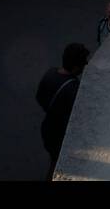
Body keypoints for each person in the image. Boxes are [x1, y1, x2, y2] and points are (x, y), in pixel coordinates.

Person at [35, 43, 90, 179]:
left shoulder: (50, 73)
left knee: (54, 159)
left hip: (47, 128)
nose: (85, 66)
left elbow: (39, 98)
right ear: (76, 66)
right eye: (83, 64)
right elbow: (80, 118)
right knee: (57, 166)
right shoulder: (73, 88)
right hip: (60, 135)